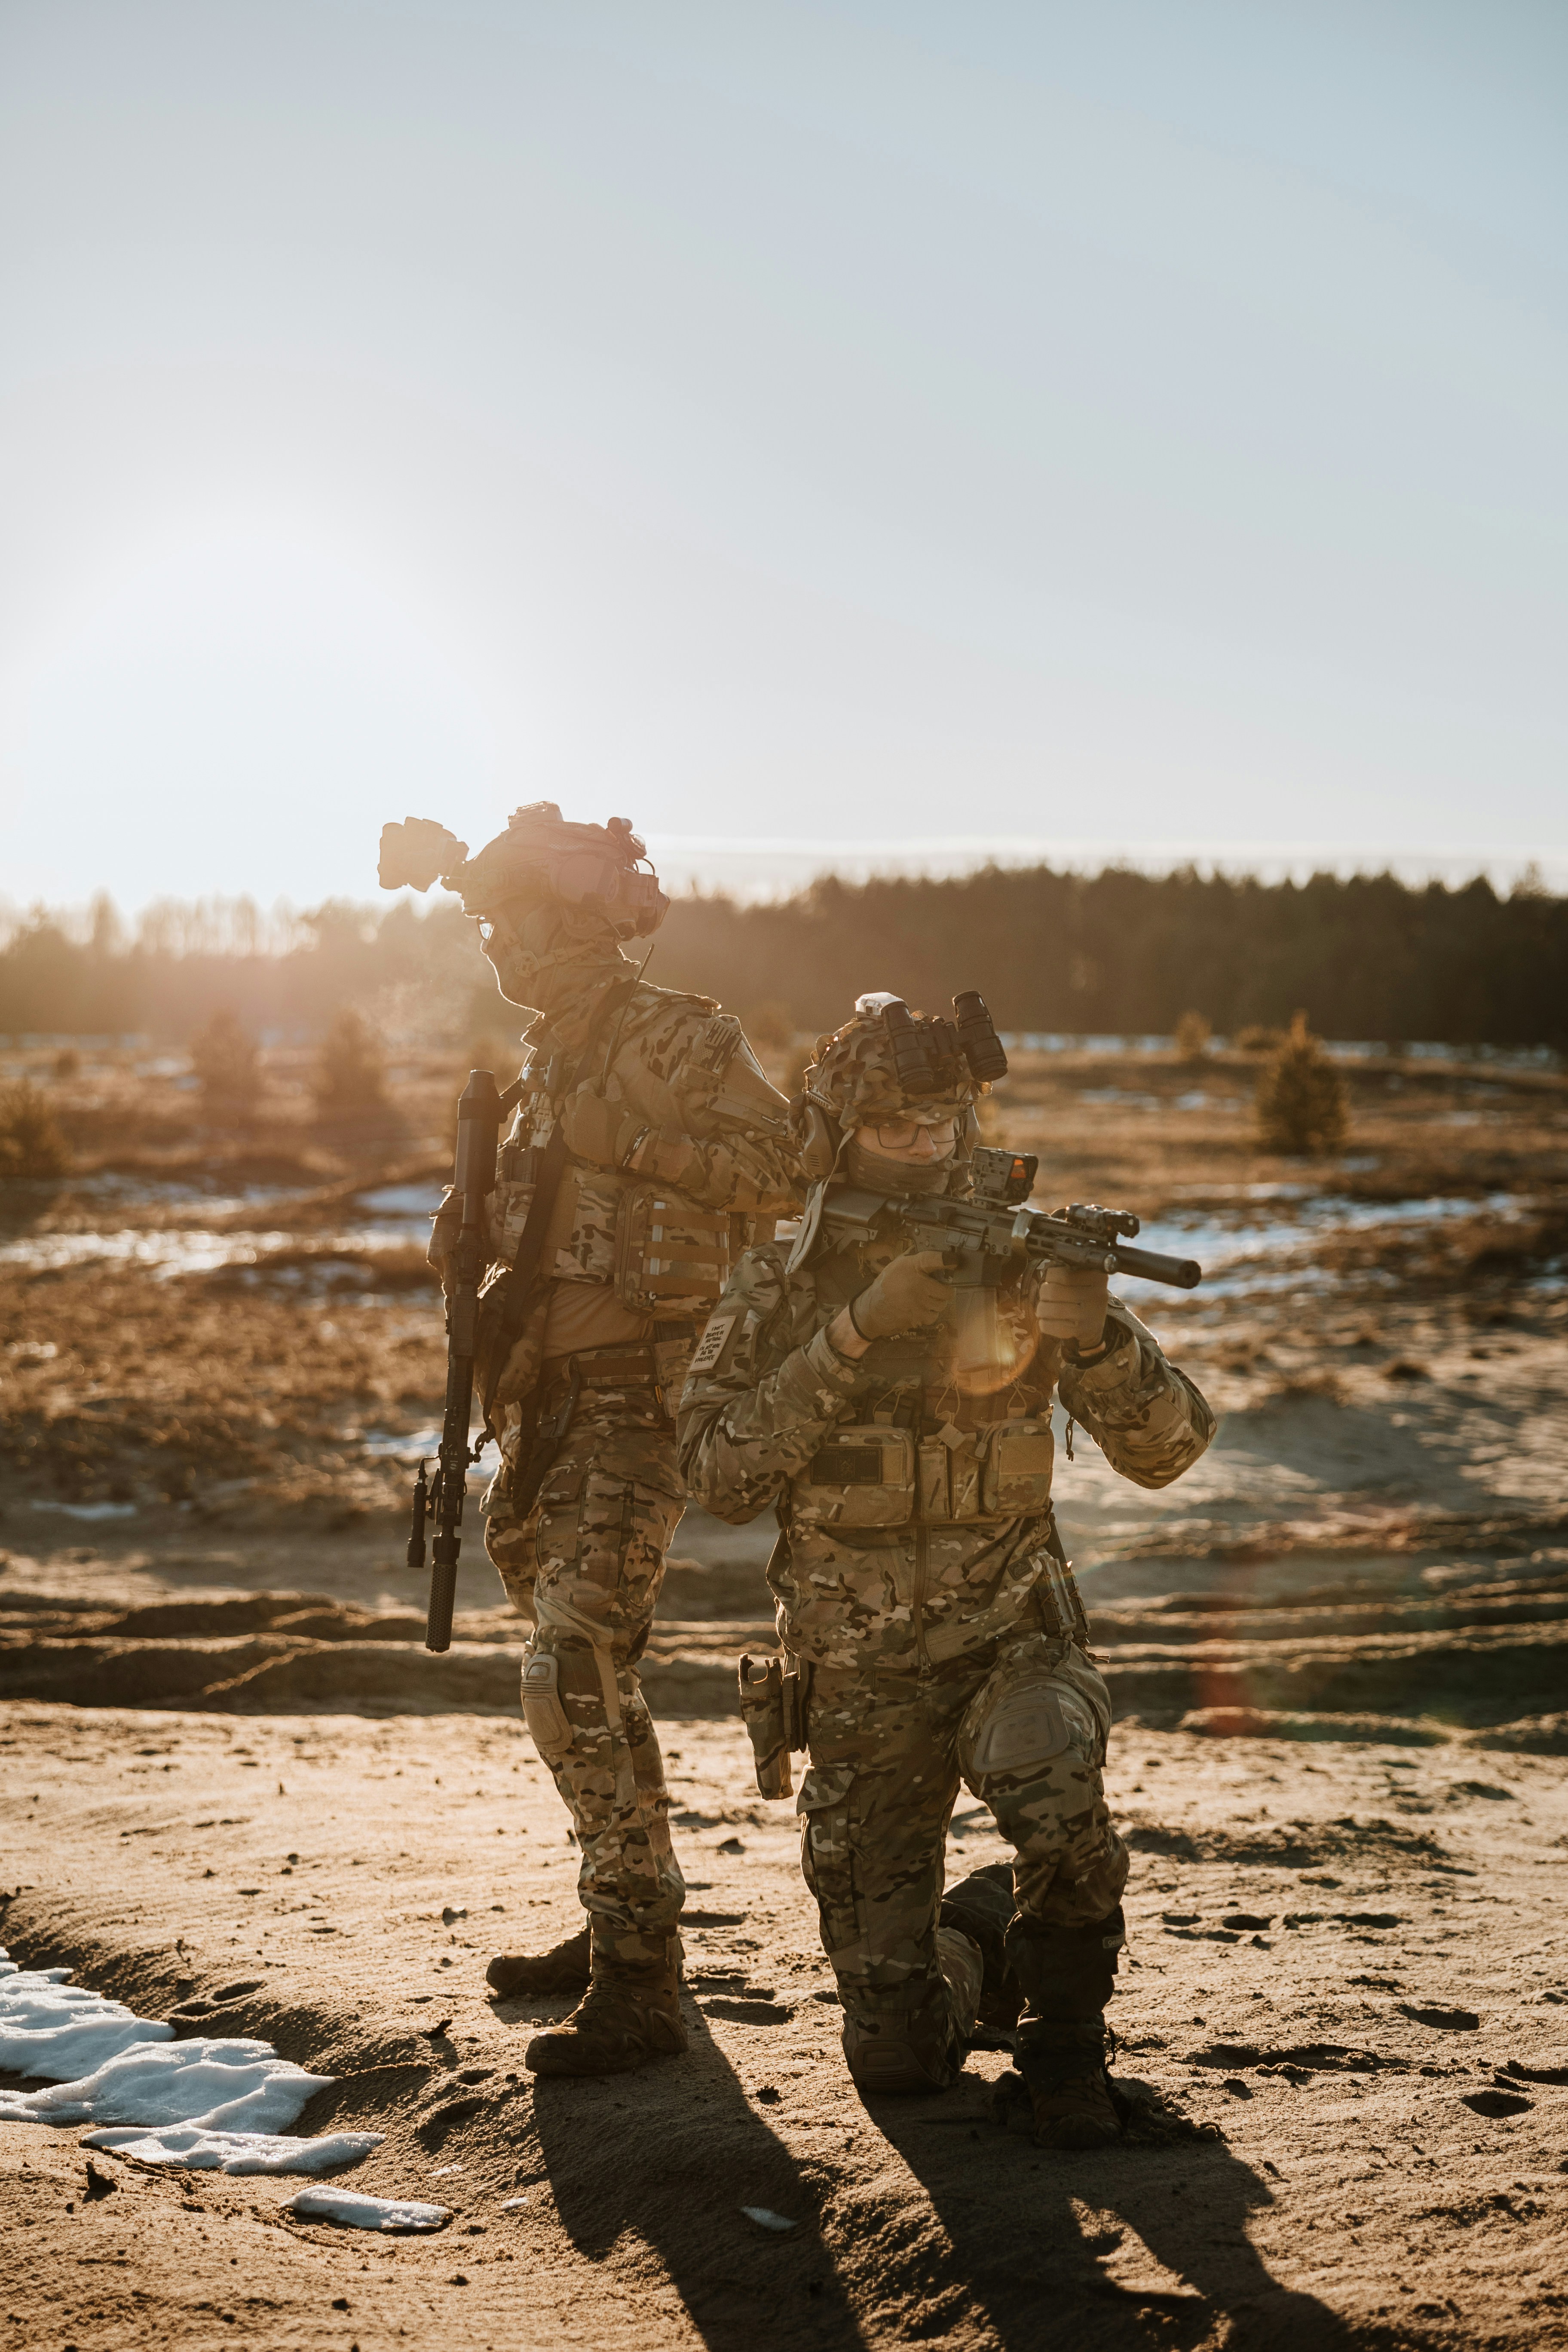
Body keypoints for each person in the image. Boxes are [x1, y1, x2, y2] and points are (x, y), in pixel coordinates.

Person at [676, 991, 1216, 2146]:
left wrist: (1099, 1334)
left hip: (1007, 1641)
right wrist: (854, 1330)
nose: (924, 1148)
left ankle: (1067, 2057)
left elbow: (1170, 1450)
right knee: (897, 2061)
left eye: (942, 1123)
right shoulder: (783, 1279)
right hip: (858, 1686)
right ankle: (975, 1939)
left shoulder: (1017, 1261)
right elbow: (716, 1476)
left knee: (1053, 1776)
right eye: (895, 1128)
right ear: (839, 1131)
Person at [408, 802, 800, 2075]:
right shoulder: (545, 1067)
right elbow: (529, 1232)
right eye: (487, 927)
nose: (499, 948)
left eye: (512, 919)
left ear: (573, 918)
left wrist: (620, 1141)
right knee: (593, 1676)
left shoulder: (676, 1037)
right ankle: (616, 1920)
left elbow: (785, 1169)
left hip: (646, 1396)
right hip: (550, 1413)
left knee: (568, 1668)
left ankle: (642, 1981)